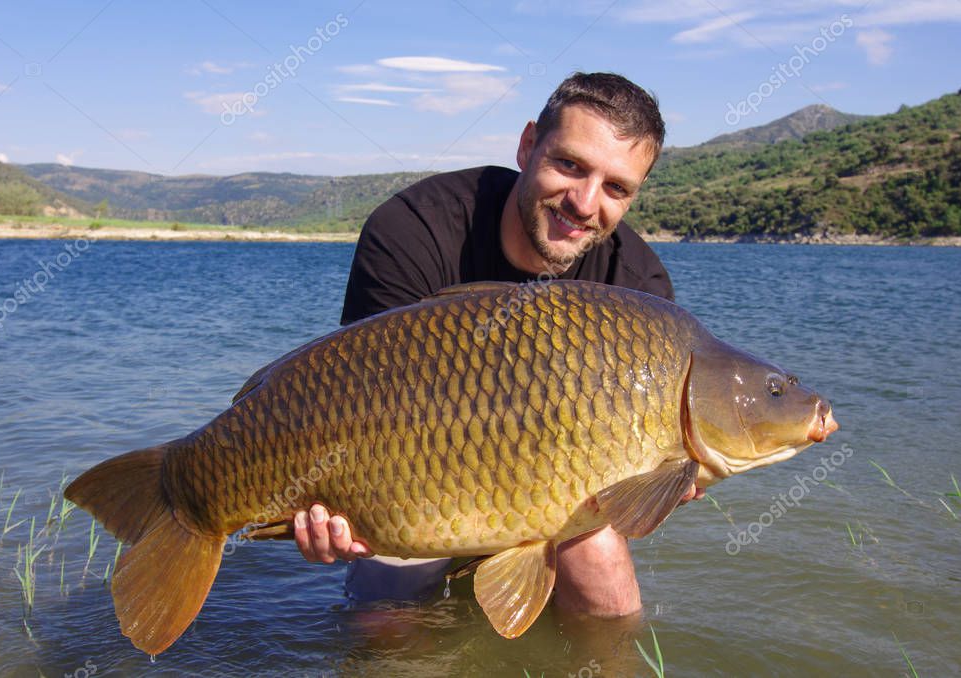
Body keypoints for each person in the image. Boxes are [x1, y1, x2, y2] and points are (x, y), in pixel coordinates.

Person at [293, 72, 703, 618]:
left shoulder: (638, 291)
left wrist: (671, 478)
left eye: (616, 188)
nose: (584, 203)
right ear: (528, 145)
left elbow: (640, 486)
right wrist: (326, 504)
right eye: (570, 165)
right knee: (383, 610)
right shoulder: (413, 231)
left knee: (604, 571)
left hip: (557, 489)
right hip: (417, 480)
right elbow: (360, 408)